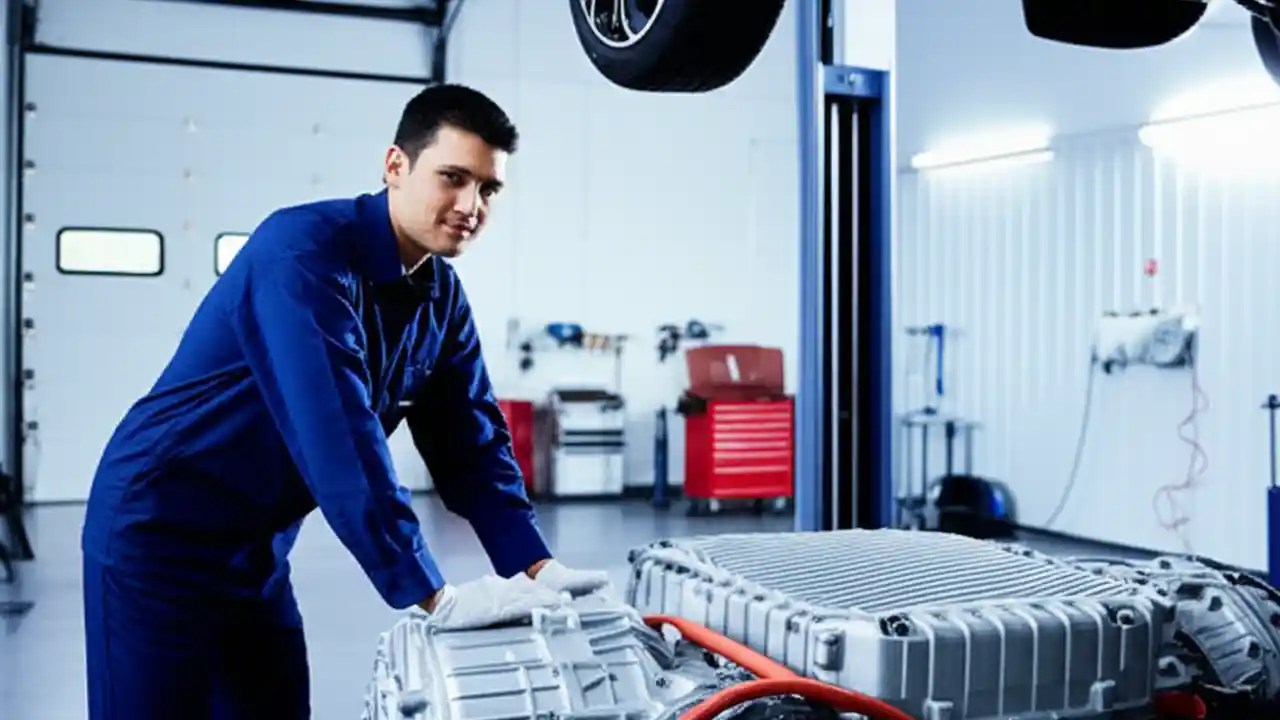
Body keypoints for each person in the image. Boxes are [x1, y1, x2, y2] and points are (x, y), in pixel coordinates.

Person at [80, 83, 609, 719]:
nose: (471, 205)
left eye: (488, 188)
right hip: (156, 535)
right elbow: (339, 434)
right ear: (395, 166)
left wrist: (532, 564)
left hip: (256, 552)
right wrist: (429, 593)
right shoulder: (302, 253)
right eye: (453, 177)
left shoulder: (440, 295)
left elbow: (473, 441)